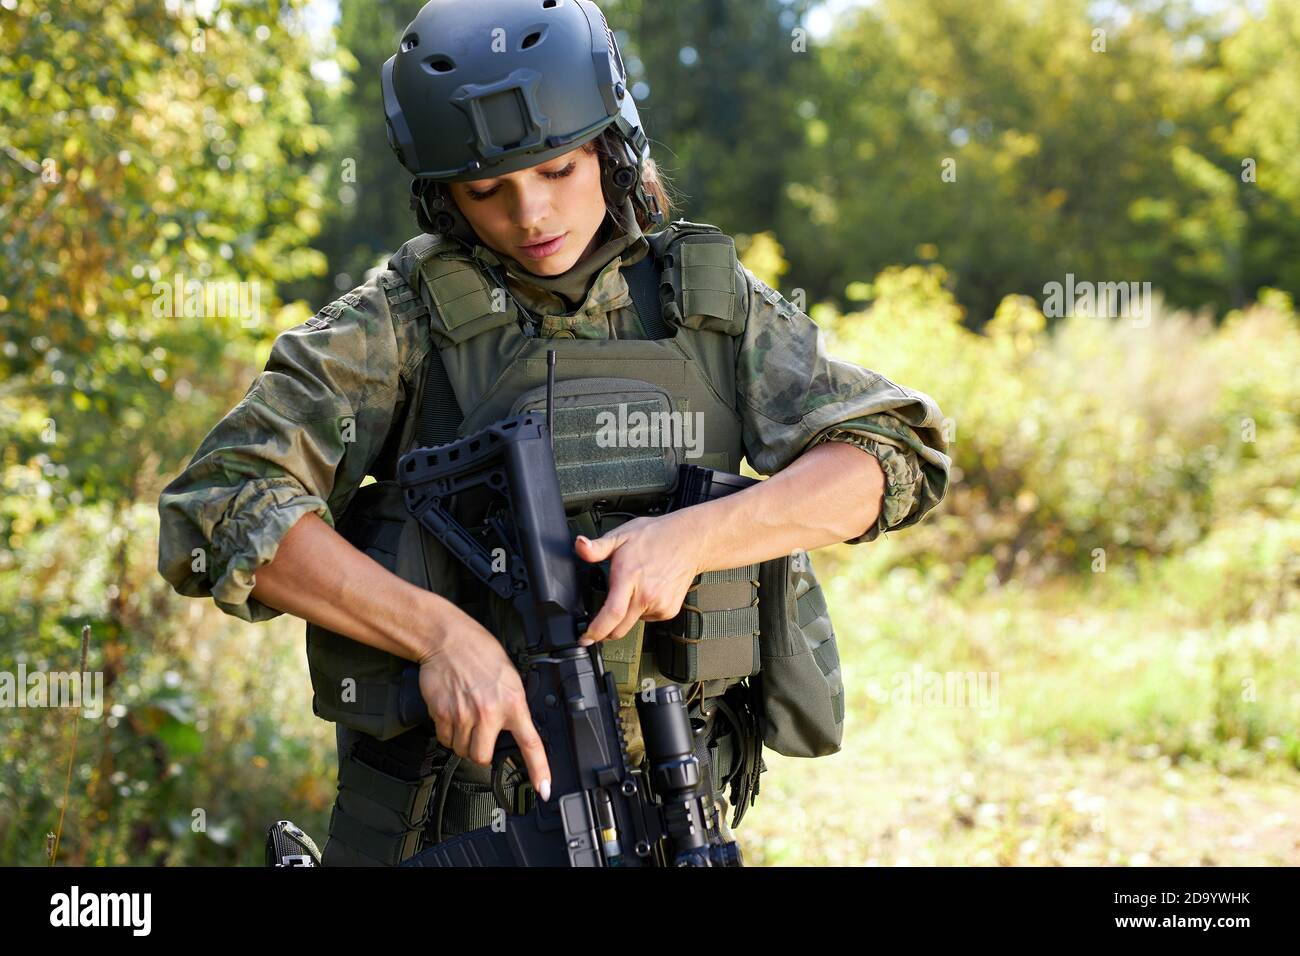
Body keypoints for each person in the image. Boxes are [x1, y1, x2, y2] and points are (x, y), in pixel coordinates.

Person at [157, 0, 951, 866]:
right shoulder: (399, 322)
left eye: (559, 169)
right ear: (444, 197)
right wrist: (438, 635)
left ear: (612, 145)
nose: (530, 214)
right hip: (448, 822)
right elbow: (223, 502)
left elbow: (890, 456)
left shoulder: (704, 302)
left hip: (664, 812)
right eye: (486, 190)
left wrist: (688, 541)